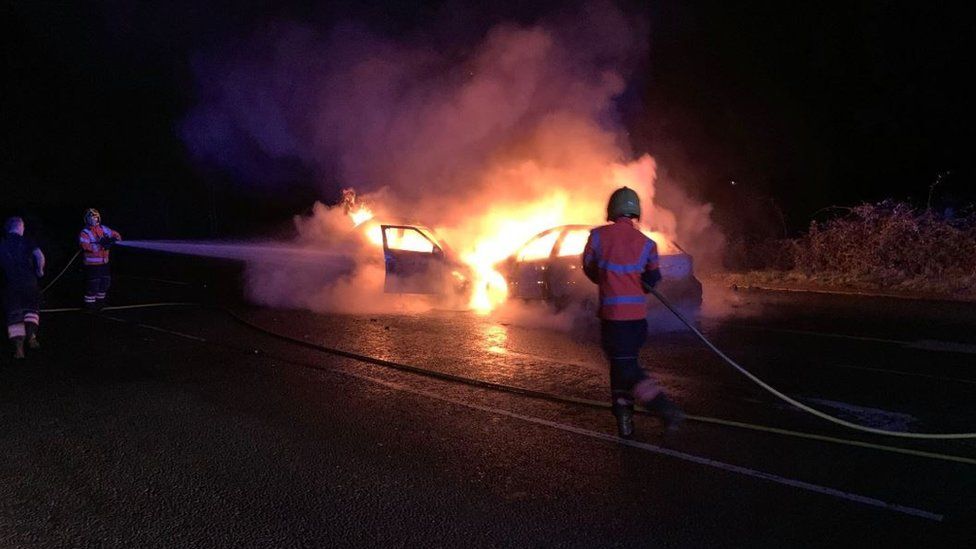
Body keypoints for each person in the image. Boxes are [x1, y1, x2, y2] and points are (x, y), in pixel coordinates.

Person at [582, 187, 685, 438]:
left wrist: (606, 279)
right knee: (621, 368)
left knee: (626, 371)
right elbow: (652, 279)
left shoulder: (597, 237)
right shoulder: (648, 244)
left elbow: (589, 268)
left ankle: (665, 408)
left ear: (612, 210)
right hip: (637, 322)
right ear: (635, 211)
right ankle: (624, 422)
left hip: (614, 320)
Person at [0, 217, 45, 359]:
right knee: (31, 311)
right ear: (20, 226)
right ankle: (32, 337)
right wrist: (40, 271)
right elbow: (39, 255)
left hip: (10, 284)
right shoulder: (27, 241)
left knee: (15, 315)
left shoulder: (3, 243)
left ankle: (19, 349)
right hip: (29, 283)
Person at [79, 208, 121, 310]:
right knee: (93, 285)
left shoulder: (104, 229)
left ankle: (101, 303)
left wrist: (114, 239)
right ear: (87, 219)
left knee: (105, 283)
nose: (95, 219)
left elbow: (117, 236)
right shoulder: (85, 232)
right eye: (92, 217)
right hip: (92, 265)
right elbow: (84, 246)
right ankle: (90, 305)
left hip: (104, 263)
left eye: (96, 217)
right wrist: (101, 246)